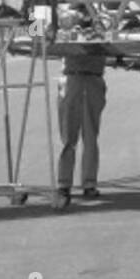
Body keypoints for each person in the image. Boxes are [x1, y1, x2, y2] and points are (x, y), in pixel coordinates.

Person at [55, 47, 107, 208]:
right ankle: (64, 184)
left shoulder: (101, 23)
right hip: (72, 78)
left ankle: (89, 184)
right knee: (68, 136)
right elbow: (43, 33)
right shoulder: (65, 23)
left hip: (93, 78)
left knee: (91, 136)